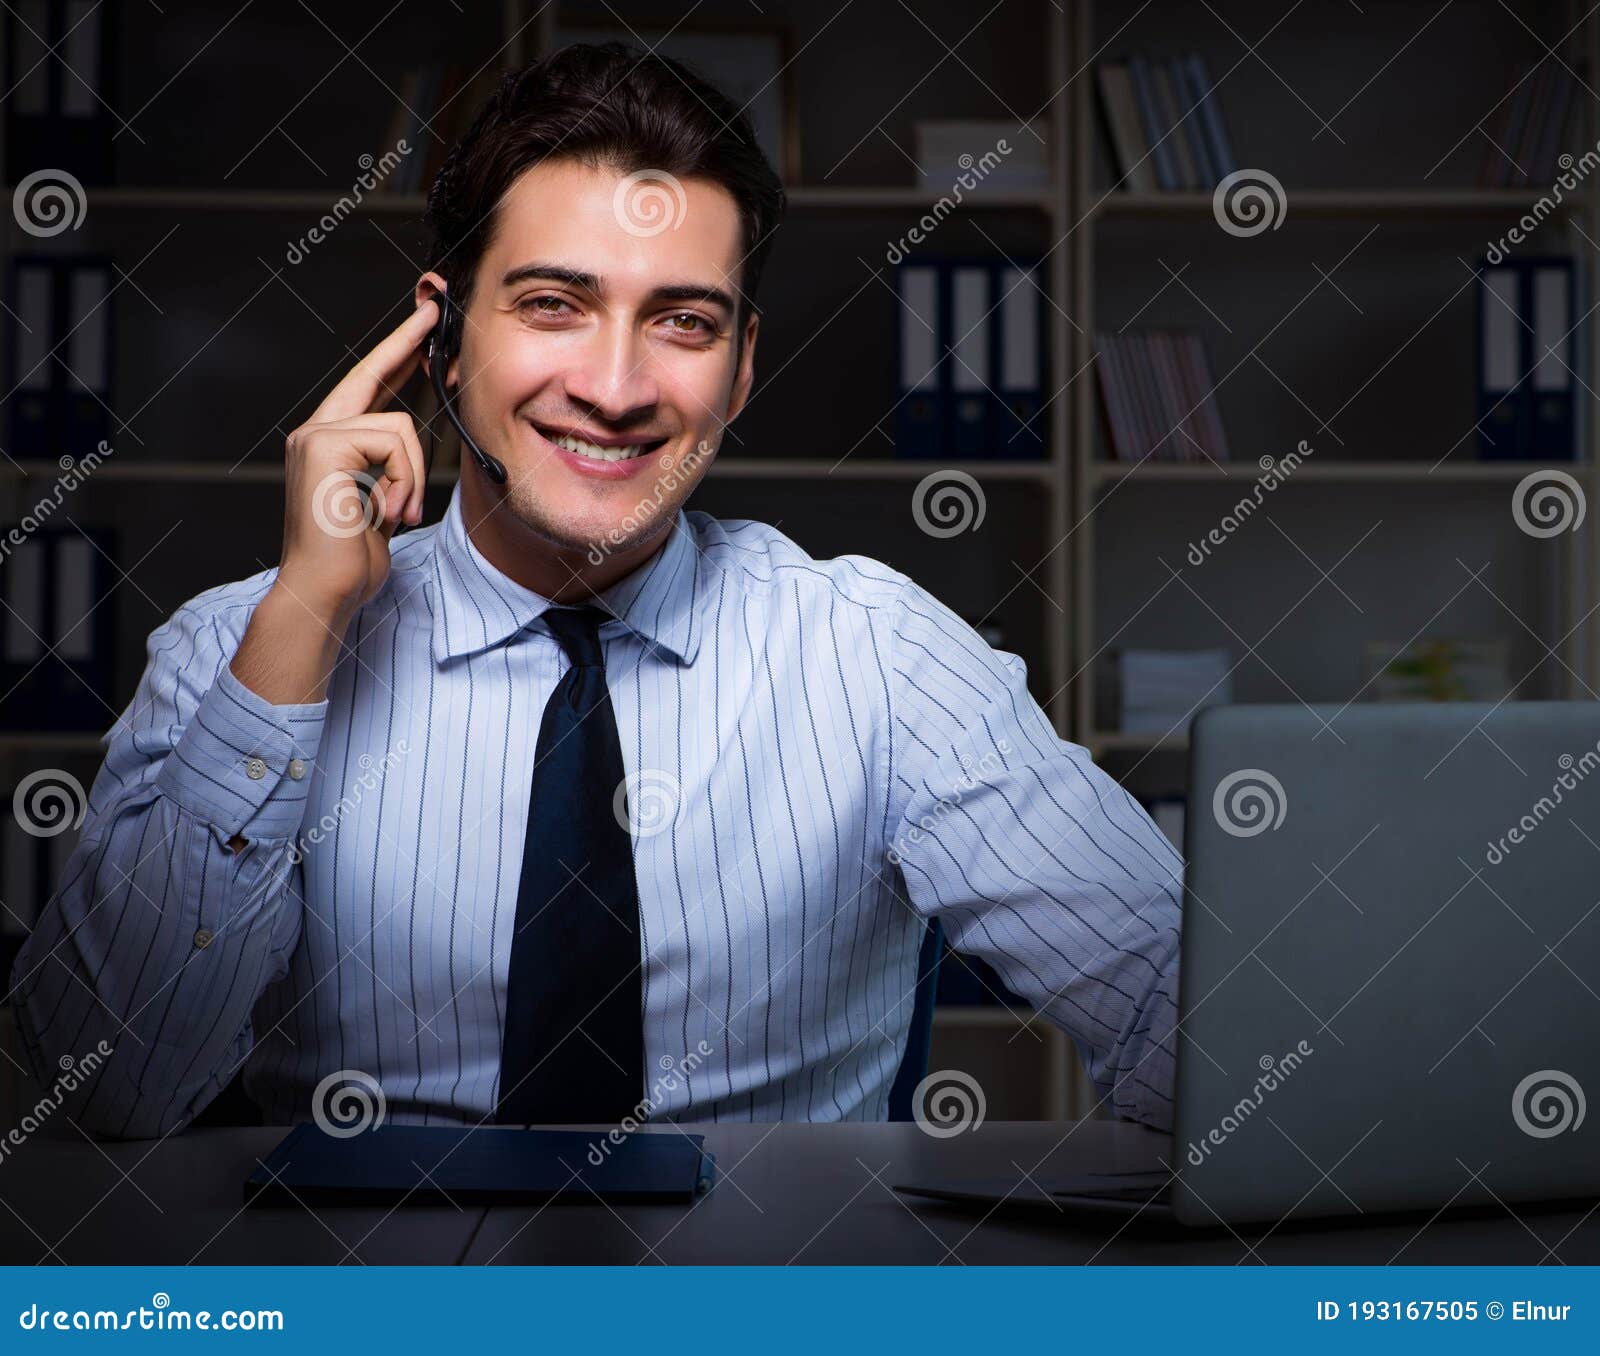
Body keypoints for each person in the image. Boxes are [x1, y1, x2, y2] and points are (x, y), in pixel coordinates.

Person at [9, 43, 1181, 1139]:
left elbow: (1194, 1027)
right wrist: (303, 623)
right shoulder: (242, 644)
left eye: (681, 321)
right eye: (552, 305)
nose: (616, 388)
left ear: (742, 364)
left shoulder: (878, 655)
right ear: (445, 340)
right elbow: (110, 1093)